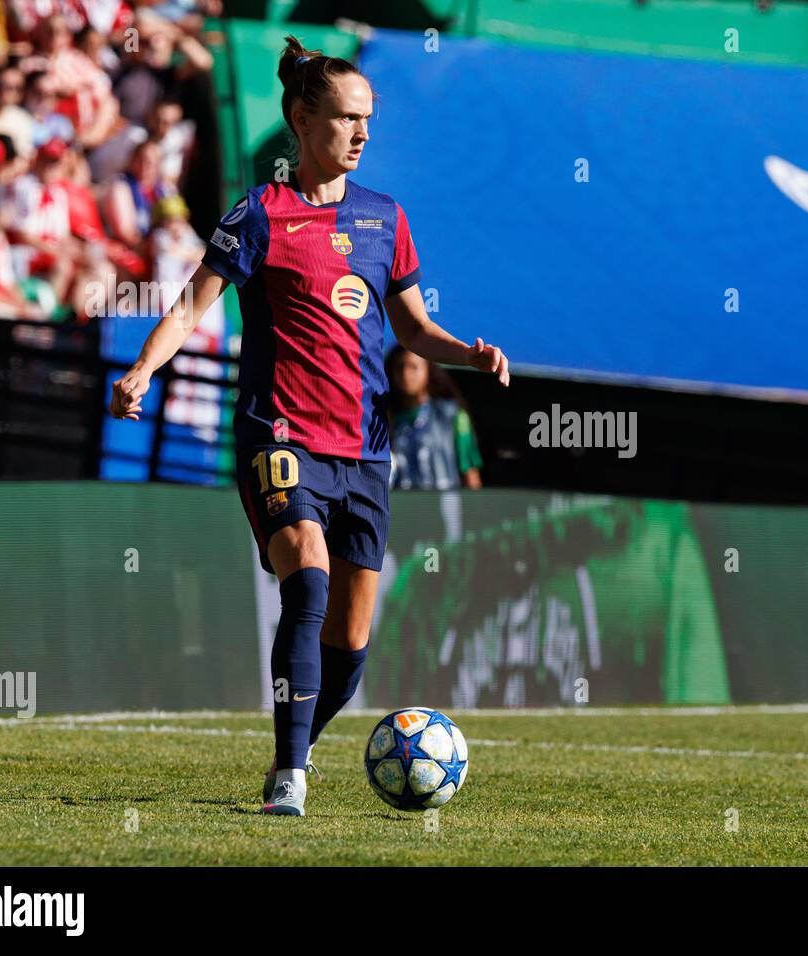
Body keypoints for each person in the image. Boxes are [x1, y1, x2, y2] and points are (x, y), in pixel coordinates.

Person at [107, 35, 510, 817]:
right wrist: (142, 371)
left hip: (364, 452)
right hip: (280, 436)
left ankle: (297, 745)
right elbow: (193, 306)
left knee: (351, 645)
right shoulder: (259, 214)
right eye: (346, 118)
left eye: (369, 120)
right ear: (301, 118)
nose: (362, 134)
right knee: (309, 580)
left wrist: (469, 352)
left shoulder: (385, 220)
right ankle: (290, 775)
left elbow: (416, 332)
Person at [386, 345, 485, 490]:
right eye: (400, 367)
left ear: (428, 370)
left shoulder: (453, 415)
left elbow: (470, 474)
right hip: (405, 510)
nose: (406, 374)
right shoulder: (386, 421)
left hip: (445, 509)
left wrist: (476, 510)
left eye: (413, 367)